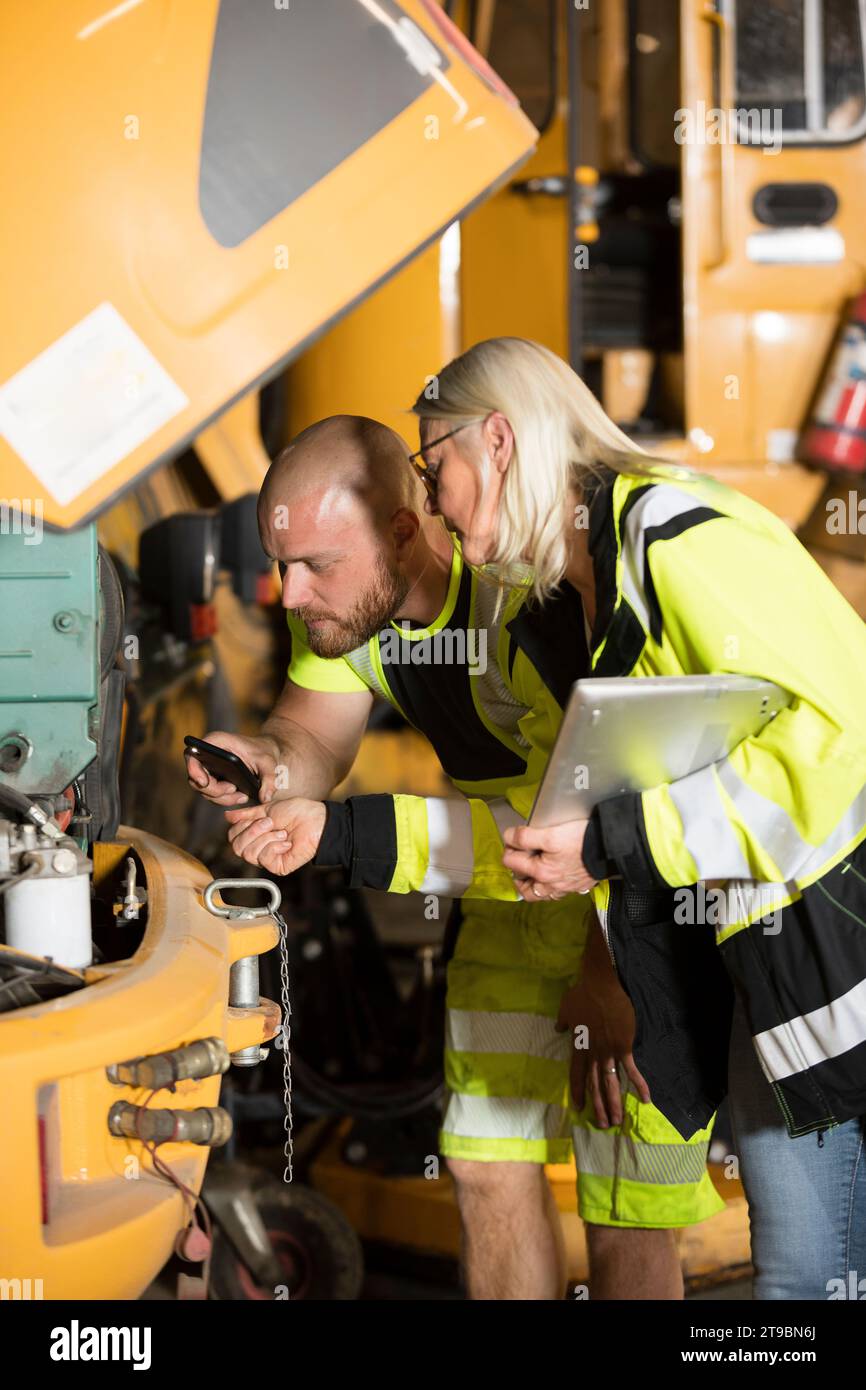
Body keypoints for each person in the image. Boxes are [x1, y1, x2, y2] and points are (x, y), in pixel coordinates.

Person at [187, 413, 724, 1301]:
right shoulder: (342, 614)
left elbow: (611, 817)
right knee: (480, 1164)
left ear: (405, 528)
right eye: (283, 565)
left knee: (628, 1199)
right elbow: (311, 731)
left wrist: (611, 976)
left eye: (316, 565)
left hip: (630, 910)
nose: (290, 594)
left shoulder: (530, 598)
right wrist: (272, 763)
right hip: (505, 902)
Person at [403, 336, 866, 1300]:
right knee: (800, 1286)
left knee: (807, 1289)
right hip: (774, 974)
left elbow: (835, 737)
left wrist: (607, 845)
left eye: (431, 464)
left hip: (839, 958)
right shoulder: (572, 595)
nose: (432, 500)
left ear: (496, 441)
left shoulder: (676, 532)